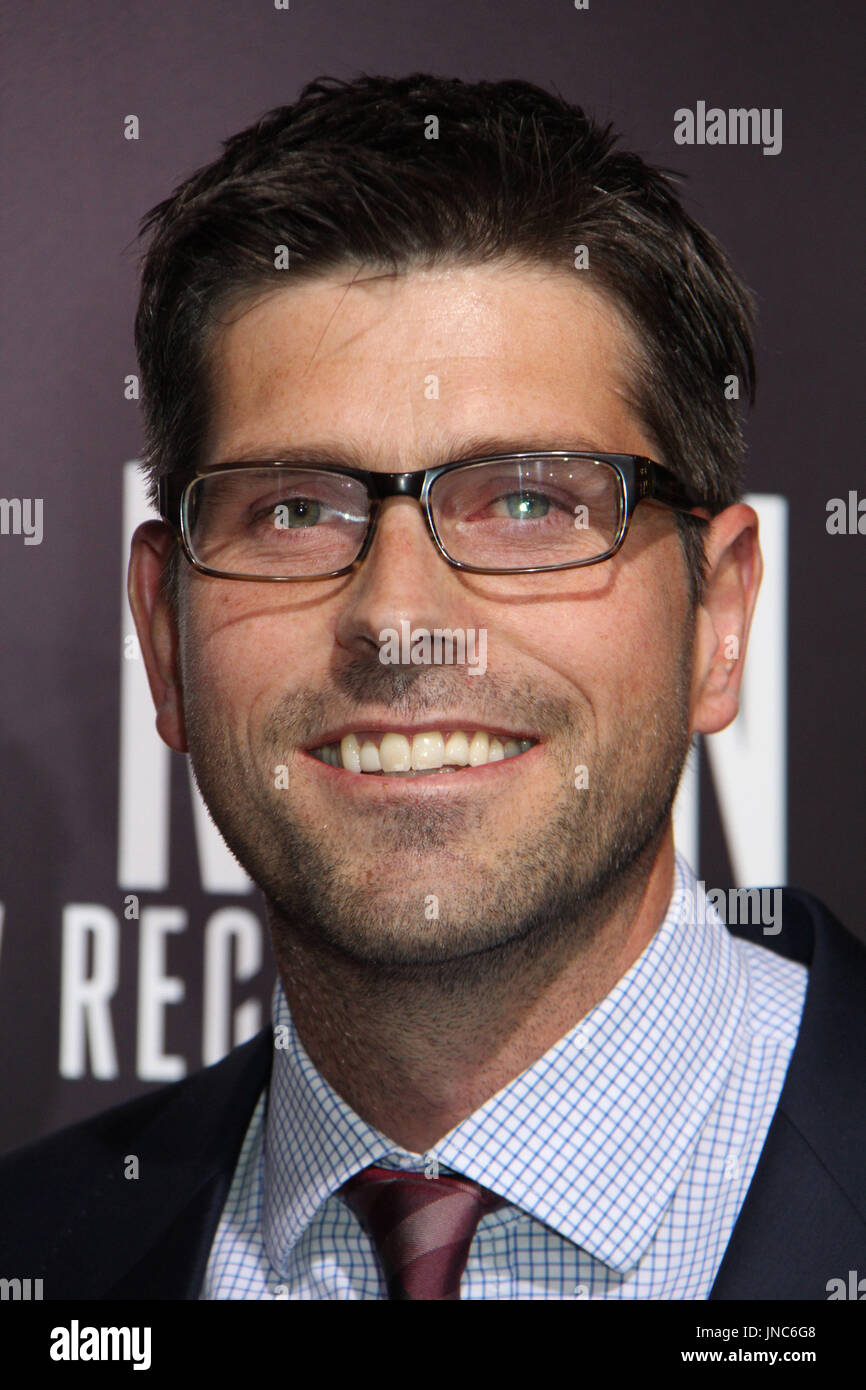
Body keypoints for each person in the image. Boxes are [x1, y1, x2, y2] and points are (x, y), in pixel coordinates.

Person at [2, 72, 864, 1302]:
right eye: (294, 510)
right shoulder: (36, 1255)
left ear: (715, 618)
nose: (399, 622)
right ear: (161, 630)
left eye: (528, 502)